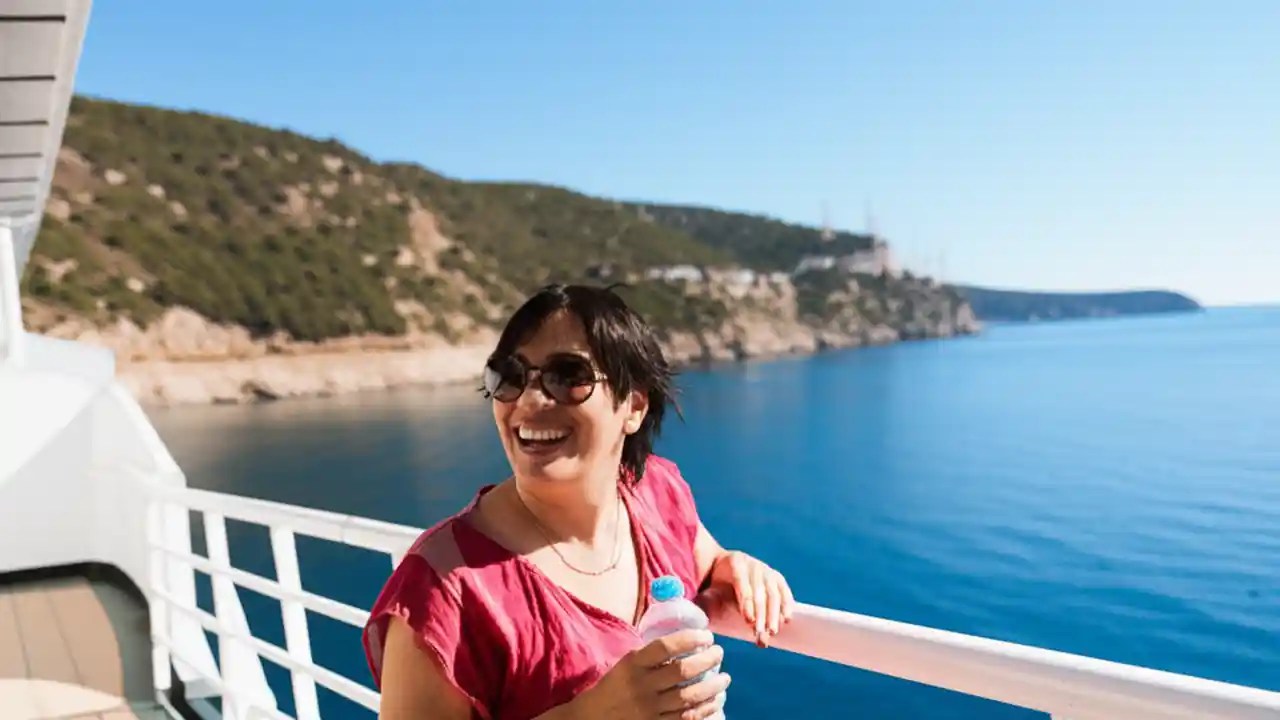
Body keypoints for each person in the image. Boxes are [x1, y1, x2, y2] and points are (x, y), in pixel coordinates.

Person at [363, 283, 796, 720]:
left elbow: (704, 555)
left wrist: (733, 564)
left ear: (635, 406)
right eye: (509, 377)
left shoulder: (656, 494)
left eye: (569, 376)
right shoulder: (443, 588)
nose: (529, 401)